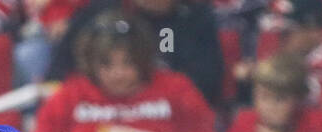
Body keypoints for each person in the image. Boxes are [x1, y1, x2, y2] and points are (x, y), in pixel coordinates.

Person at [32, 12, 225, 132]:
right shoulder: (69, 96)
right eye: (107, 64)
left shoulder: (176, 89)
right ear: (91, 64)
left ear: (143, 61)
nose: (118, 74)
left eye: (128, 63)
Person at [47, 0, 225, 108]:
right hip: (98, 109)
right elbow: (59, 72)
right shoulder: (99, 11)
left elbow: (206, 84)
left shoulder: (195, 18)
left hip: (165, 112)